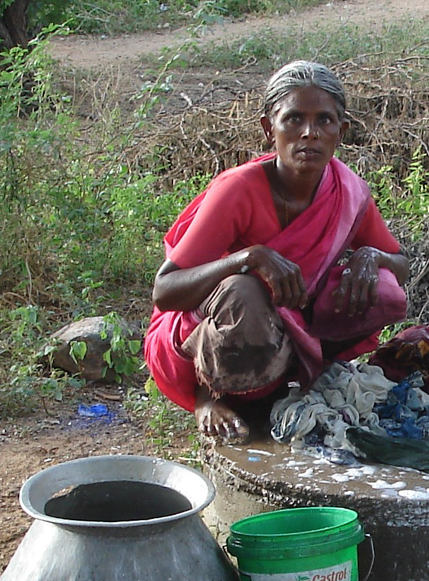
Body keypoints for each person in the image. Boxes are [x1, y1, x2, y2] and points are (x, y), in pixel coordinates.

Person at [144, 60, 409, 442]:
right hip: (218, 330)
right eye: (294, 120)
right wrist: (249, 258)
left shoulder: (348, 192)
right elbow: (165, 290)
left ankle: (304, 378)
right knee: (243, 291)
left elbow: (399, 265)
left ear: (342, 131)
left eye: (324, 121)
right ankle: (213, 395)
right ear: (270, 129)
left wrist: (371, 257)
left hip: (291, 324)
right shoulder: (239, 190)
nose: (309, 134)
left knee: (381, 286)